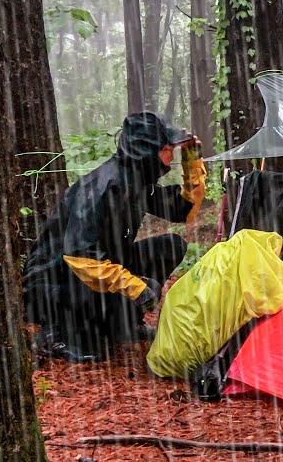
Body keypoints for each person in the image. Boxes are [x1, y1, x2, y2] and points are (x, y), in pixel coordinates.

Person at [24, 112, 207, 362]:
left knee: (169, 245)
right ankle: (57, 335)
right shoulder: (102, 186)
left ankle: (123, 325)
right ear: (145, 151)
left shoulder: (136, 182)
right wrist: (135, 287)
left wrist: (192, 161)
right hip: (50, 283)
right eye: (167, 150)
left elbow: (183, 210)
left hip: (93, 264)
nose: (170, 156)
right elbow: (79, 256)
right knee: (87, 275)